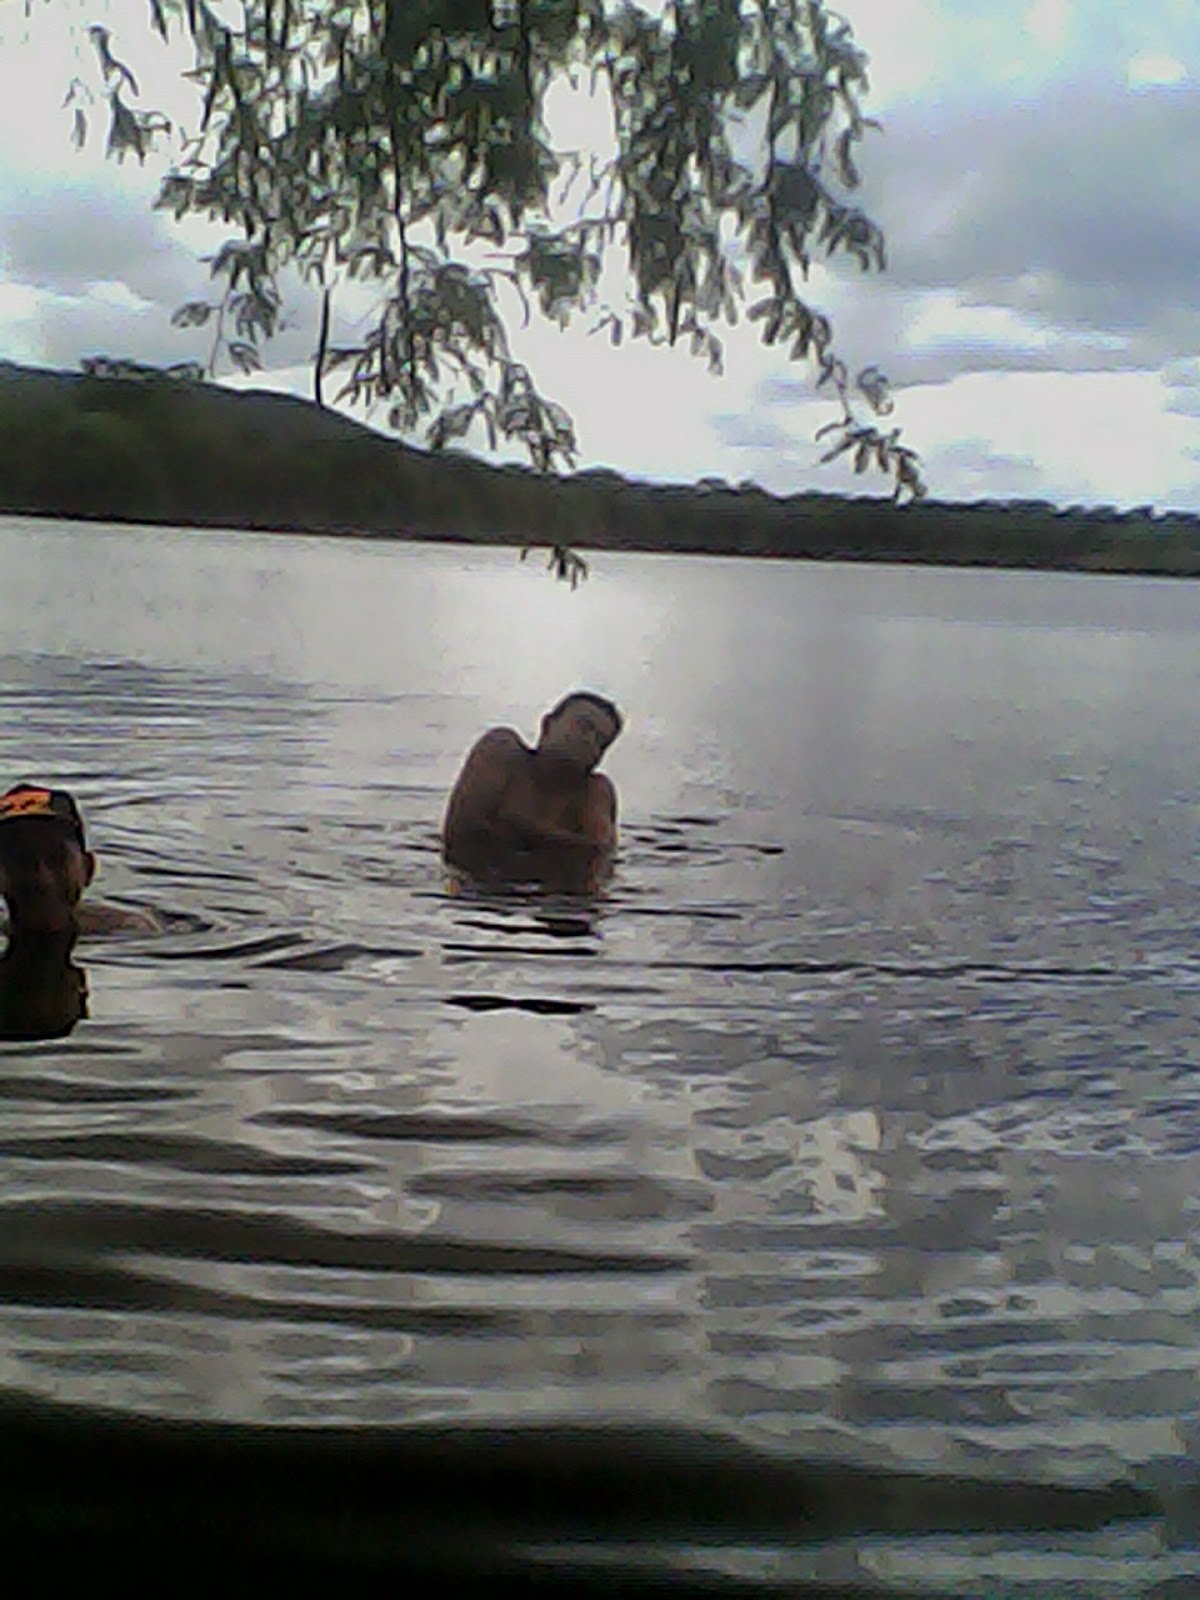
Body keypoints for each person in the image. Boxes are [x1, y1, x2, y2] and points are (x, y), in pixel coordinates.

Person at [442, 692, 623, 892]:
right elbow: (461, 835)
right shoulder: (502, 751)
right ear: (547, 725)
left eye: (601, 742)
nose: (589, 742)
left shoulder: (595, 791)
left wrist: (515, 827)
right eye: (583, 727)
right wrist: (559, 847)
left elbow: (598, 860)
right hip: (478, 893)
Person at [0, 783, 159, 940]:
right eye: (22, 861)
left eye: (57, 859)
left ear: (88, 869)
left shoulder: (134, 931)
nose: (43, 879)